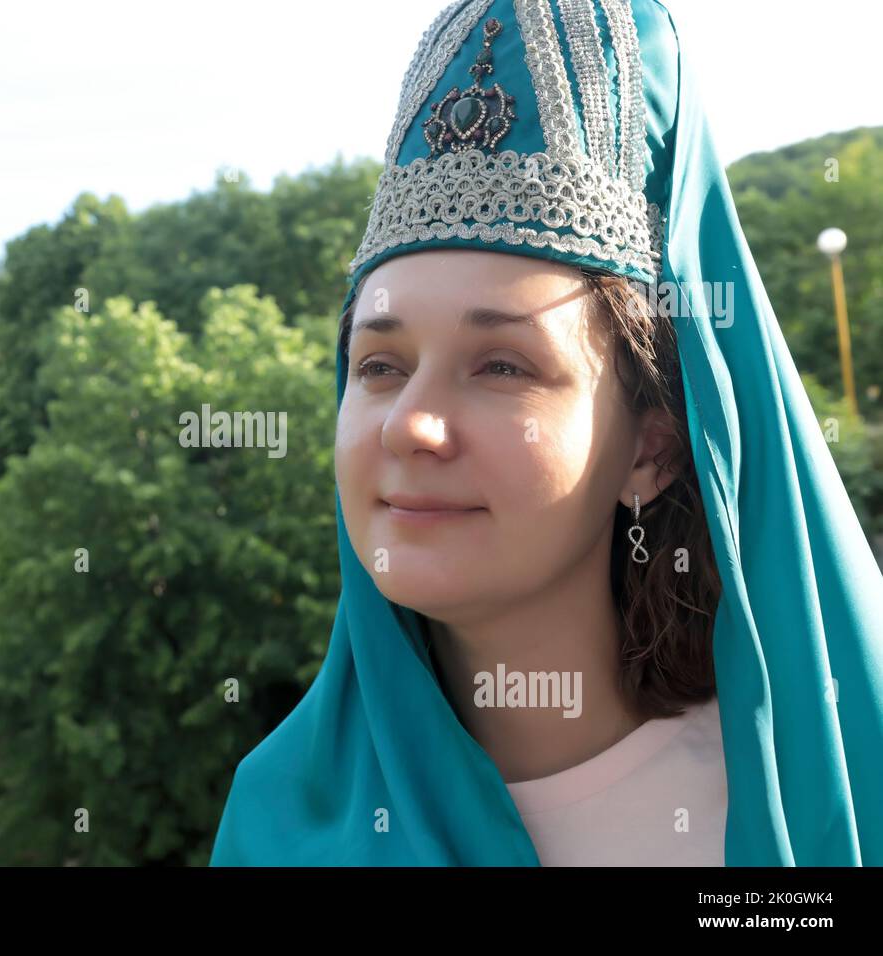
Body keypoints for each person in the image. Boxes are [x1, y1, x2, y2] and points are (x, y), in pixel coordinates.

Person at [209, 0, 883, 866]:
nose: (412, 424)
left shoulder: (822, 794)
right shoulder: (277, 827)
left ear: (652, 448)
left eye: (502, 367)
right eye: (379, 366)